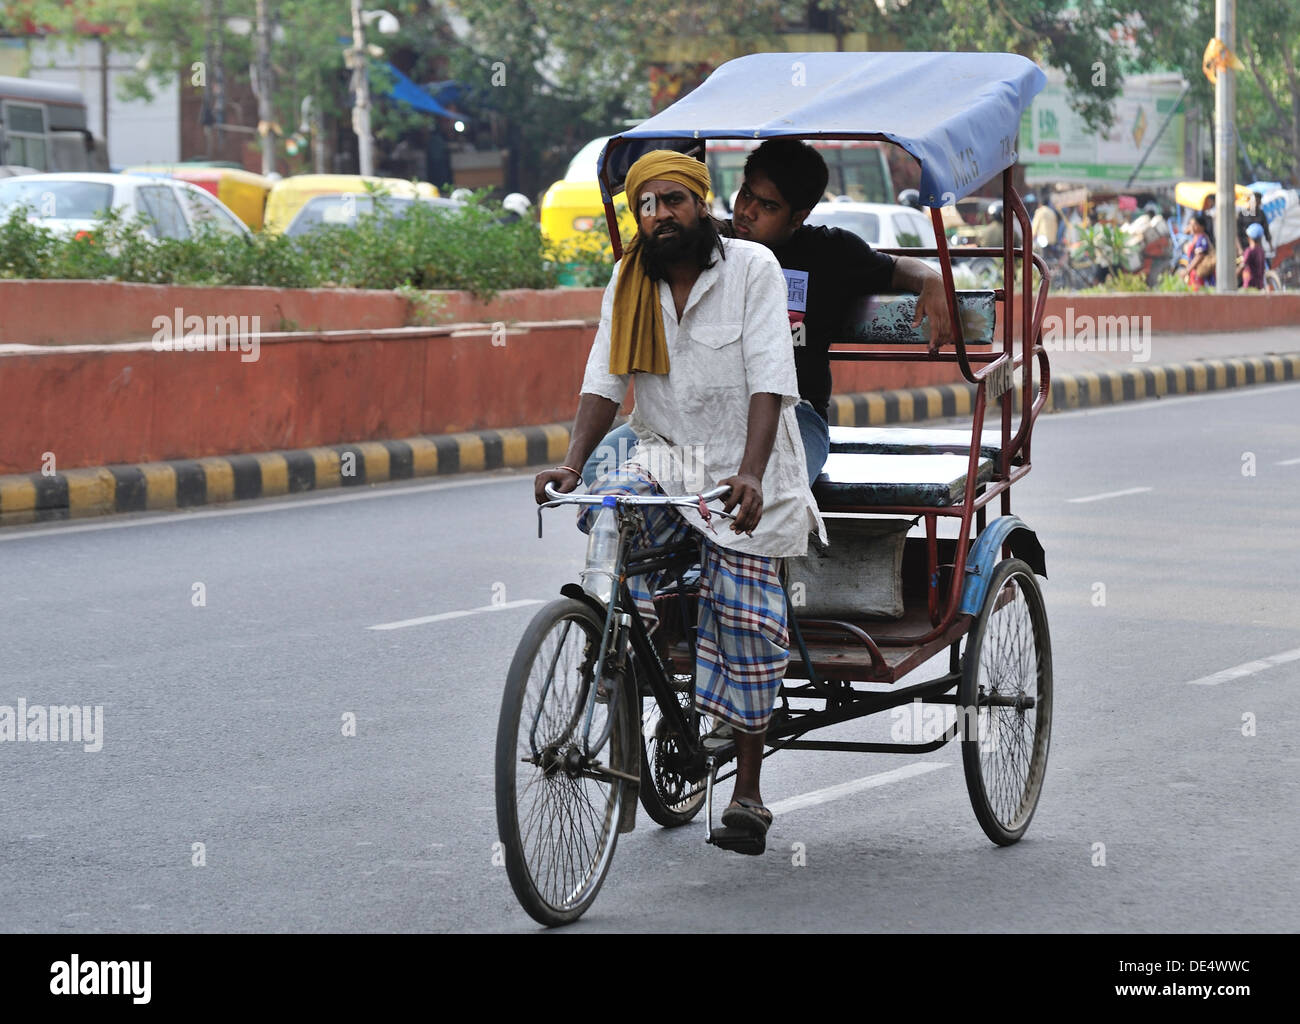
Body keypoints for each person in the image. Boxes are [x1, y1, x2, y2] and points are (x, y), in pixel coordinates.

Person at [535, 149, 826, 848]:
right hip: (669, 462)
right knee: (608, 516)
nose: (658, 216)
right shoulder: (628, 279)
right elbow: (605, 381)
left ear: (701, 202)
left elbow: (770, 377)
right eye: (645, 206)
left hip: (749, 471)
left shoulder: (752, 269)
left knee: (747, 622)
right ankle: (627, 654)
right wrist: (573, 466)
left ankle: (750, 795)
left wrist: (751, 474)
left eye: (672, 201)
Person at [582, 138, 951, 488]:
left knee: (778, 485)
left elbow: (895, 267)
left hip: (795, 415)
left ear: (797, 217)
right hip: (698, 412)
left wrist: (931, 280)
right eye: (746, 195)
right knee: (600, 468)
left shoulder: (829, 251)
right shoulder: (707, 245)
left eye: (768, 206)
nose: (747, 211)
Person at [1184, 212, 1215, 290]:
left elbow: (1199, 256)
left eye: (1194, 224)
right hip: (1195, 274)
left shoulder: (1202, 238)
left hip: (1201, 273)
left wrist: (1188, 270)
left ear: (1202, 226)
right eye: (1190, 224)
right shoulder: (1195, 237)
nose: (1192, 227)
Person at [1241, 221, 1268, 289]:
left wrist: (1233, 274)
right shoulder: (1261, 251)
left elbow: (1243, 265)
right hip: (1259, 286)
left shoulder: (1249, 251)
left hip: (1249, 286)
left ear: (1249, 238)